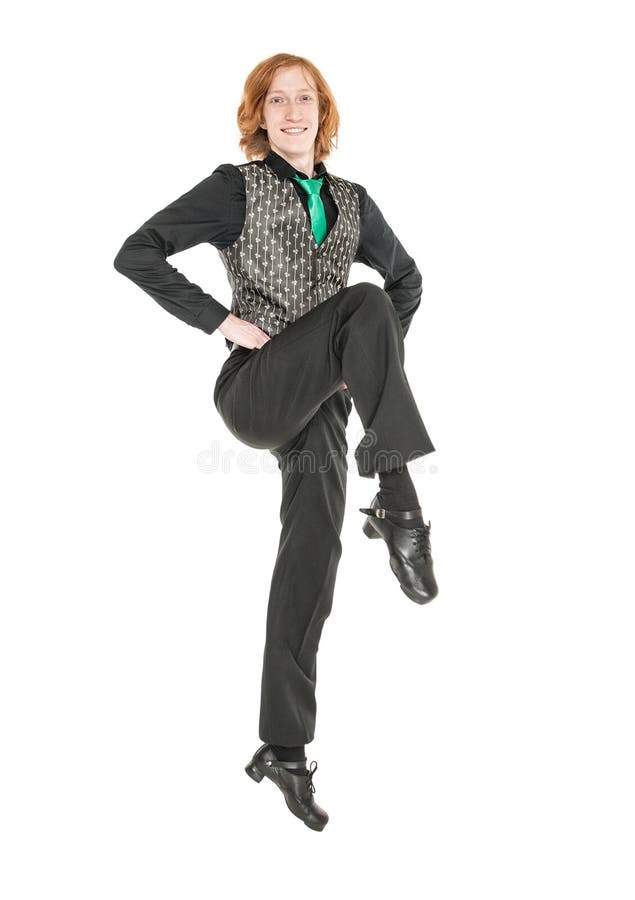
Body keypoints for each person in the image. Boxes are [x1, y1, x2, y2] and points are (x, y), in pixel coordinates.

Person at [113, 52, 438, 832]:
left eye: (306, 99)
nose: (293, 112)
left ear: (324, 114)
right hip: (256, 390)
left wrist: (366, 372)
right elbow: (138, 251)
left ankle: (283, 750)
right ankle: (397, 504)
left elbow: (409, 285)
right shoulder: (236, 188)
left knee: (311, 555)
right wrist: (219, 322)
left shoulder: (355, 202)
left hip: (319, 405)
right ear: (257, 114)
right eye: (277, 100)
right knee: (361, 302)